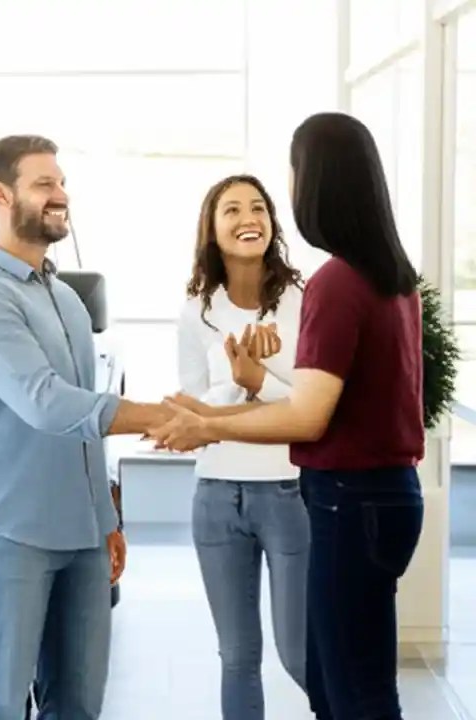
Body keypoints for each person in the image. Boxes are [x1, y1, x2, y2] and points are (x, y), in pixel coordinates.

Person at [149, 112, 425, 720]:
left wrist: (214, 422)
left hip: (344, 500)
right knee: (351, 680)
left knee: (342, 685)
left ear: (316, 185)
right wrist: (216, 406)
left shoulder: (332, 285)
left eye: (292, 176)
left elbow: (308, 416)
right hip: (385, 495)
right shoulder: (394, 280)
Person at [0, 134, 174, 720]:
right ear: (0, 194)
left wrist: (108, 518)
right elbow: (46, 404)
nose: (61, 195)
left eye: (62, 182)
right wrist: (163, 416)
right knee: (0, 705)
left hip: (83, 536)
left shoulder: (66, 300)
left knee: (78, 707)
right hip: (7, 533)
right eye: (45, 184)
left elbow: (85, 416)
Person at [177, 174, 309, 720]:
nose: (247, 217)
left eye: (257, 207)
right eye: (231, 209)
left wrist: (258, 380)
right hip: (215, 495)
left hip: (289, 492)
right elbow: (190, 400)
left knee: (300, 653)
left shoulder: (304, 302)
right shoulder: (197, 308)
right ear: (212, 228)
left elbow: (312, 406)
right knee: (237, 657)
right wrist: (234, 382)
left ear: (272, 224)